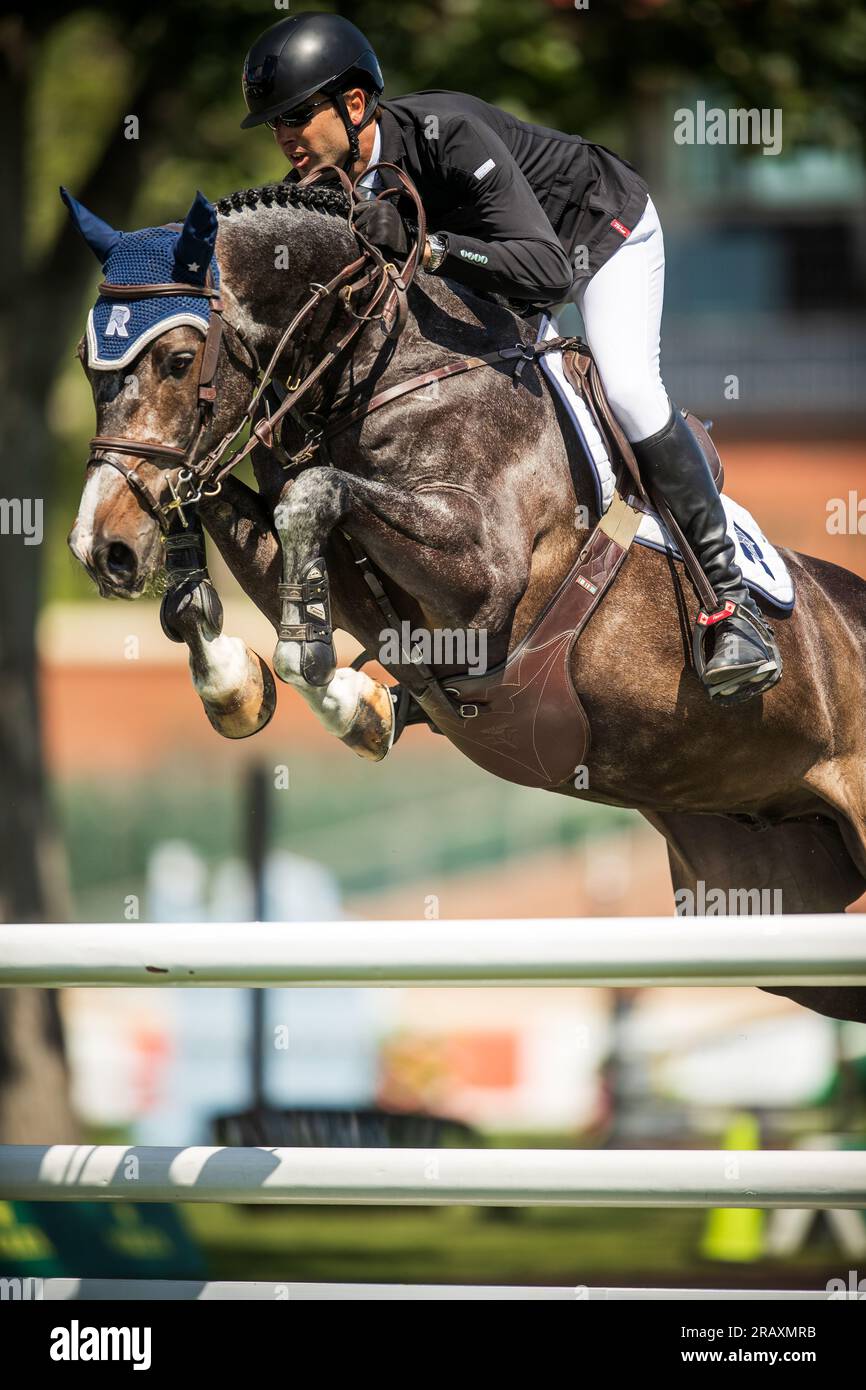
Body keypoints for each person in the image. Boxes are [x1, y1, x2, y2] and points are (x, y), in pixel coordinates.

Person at [240, 11, 780, 702]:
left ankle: (730, 607)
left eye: (295, 115)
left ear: (353, 104)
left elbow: (548, 273)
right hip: (500, 267)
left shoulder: (446, 136)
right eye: (275, 123)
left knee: (630, 391)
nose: (285, 136)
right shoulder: (326, 186)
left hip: (595, 233)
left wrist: (427, 247)